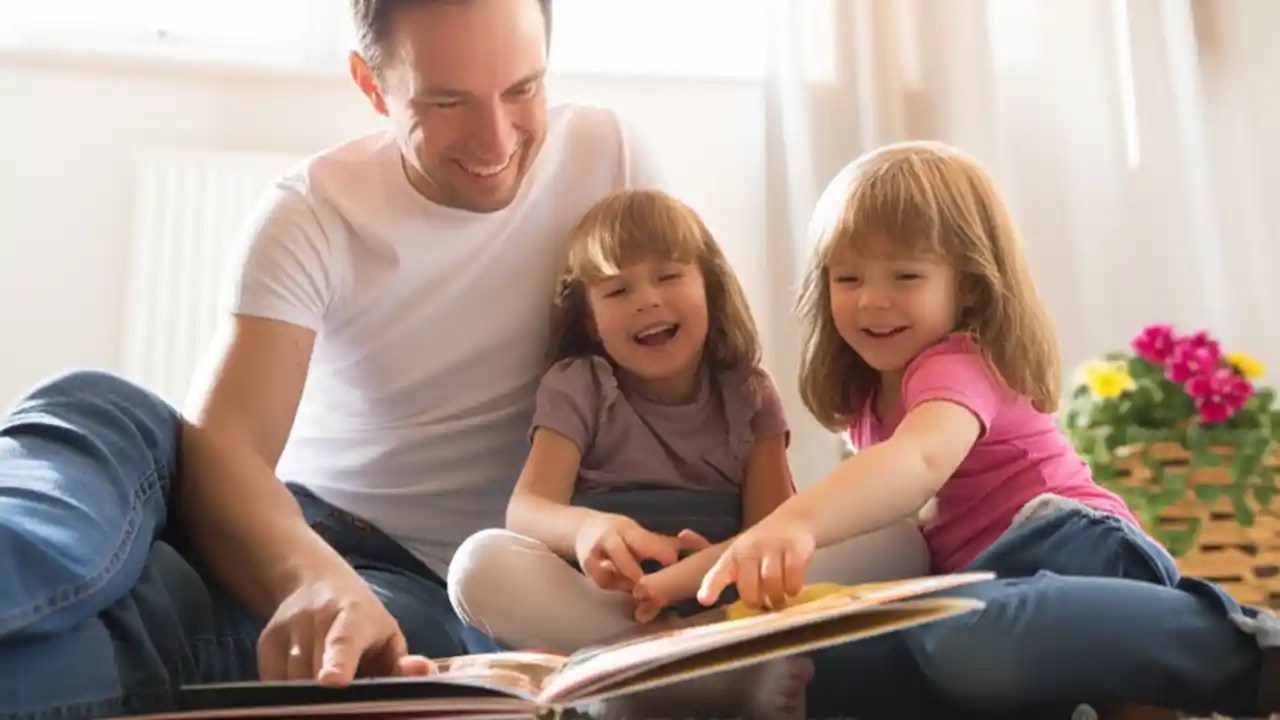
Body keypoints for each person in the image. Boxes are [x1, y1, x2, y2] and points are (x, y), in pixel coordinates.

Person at [0, 1, 679, 717]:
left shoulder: (612, 158)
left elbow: (704, 373)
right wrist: (309, 575)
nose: (495, 139)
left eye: (522, 90)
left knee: (151, 614)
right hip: (287, 522)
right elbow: (224, 452)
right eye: (446, 102)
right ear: (371, 84)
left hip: (431, 581)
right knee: (94, 406)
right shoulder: (313, 212)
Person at [693, 140, 1280, 719]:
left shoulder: (959, 362)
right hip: (995, 585)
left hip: (1073, 546)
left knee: (957, 640)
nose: (873, 301)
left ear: (968, 284)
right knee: (878, 656)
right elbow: (860, 529)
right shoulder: (867, 398)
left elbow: (918, 463)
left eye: (905, 276)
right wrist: (685, 580)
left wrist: (797, 522)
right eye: (848, 279)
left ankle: (1250, 650)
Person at [446, 188, 814, 718]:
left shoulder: (748, 392)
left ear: (708, 285)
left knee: (891, 542)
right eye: (618, 290)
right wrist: (588, 530)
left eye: (668, 276)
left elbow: (776, 530)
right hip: (610, 604)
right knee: (477, 564)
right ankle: (676, 675)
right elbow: (526, 511)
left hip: (720, 602)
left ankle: (642, 674)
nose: (647, 300)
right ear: (591, 321)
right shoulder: (579, 386)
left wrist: (710, 563)